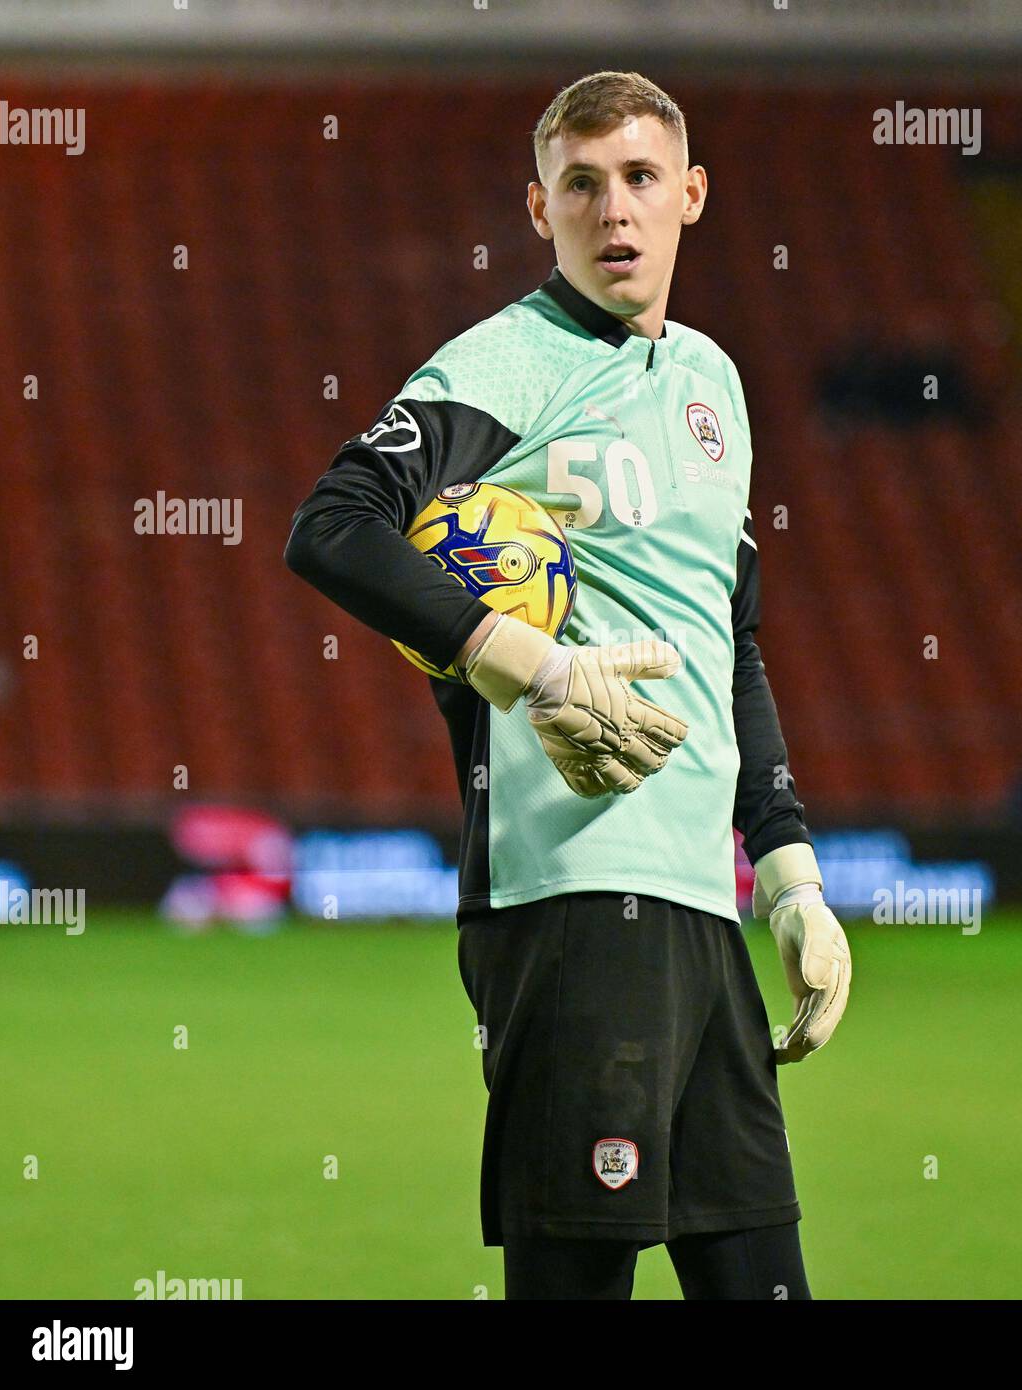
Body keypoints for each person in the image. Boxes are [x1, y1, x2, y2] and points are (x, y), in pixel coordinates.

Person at [285, 70, 850, 1300]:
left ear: (690, 195)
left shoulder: (714, 383)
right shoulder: (509, 363)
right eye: (580, 184)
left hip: (701, 901)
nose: (615, 211)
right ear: (538, 209)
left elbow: (730, 640)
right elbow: (333, 526)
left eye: (640, 179)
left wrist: (792, 876)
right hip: (570, 893)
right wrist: (531, 666)